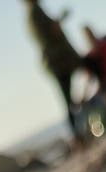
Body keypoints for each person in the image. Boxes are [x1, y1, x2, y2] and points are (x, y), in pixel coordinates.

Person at [22, 0, 82, 136]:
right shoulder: (35, 12)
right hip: (57, 62)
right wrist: (61, 18)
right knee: (68, 100)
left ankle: (78, 133)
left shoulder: (33, 13)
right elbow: (51, 31)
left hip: (57, 61)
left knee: (69, 99)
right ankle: (77, 134)